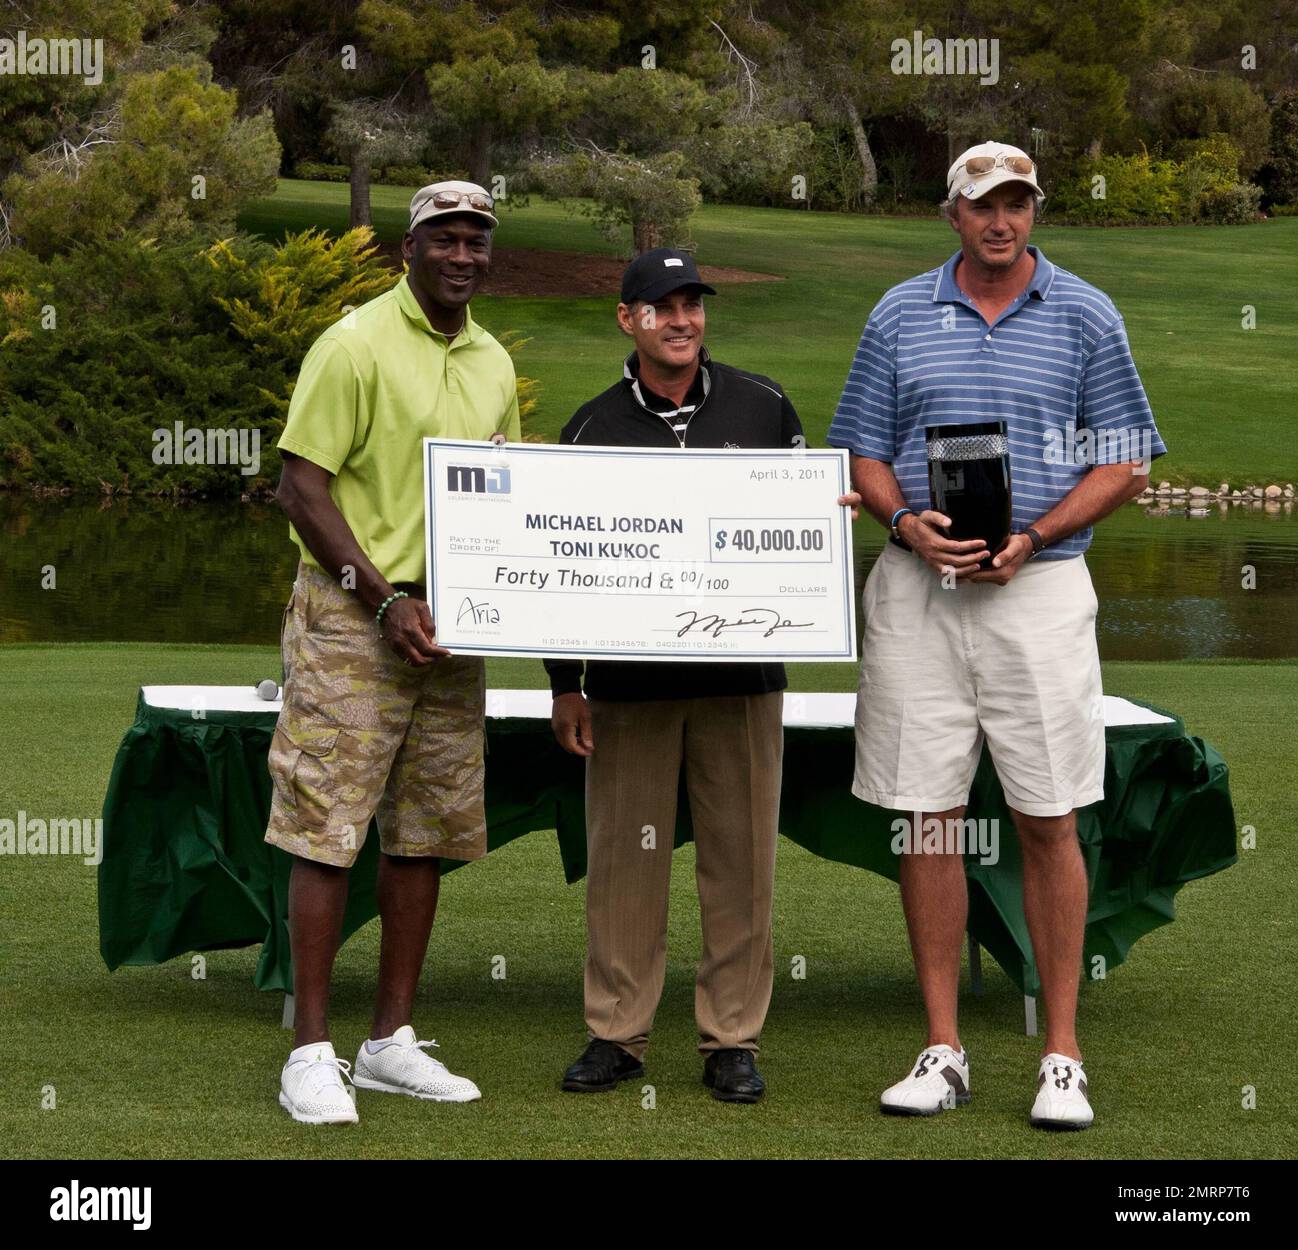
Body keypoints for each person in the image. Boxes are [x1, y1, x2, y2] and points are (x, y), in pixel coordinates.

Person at [828, 141, 1165, 1130]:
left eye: (1017, 202)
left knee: (1049, 812)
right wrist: (901, 522)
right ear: (953, 213)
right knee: (926, 813)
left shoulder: (1085, 312)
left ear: (1034, 209)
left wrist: (1036, 533)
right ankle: (943, 1047)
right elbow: (866, 449)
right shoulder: (898, 311)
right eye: (983, 204)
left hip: (1041, 585)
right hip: (917, 586)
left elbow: (1126, 460)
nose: (1001, 220)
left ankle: (1060, 1052)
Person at [547, 248, 858, 1103]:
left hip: (743, 676)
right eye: (662, 306)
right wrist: (562, 683)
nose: (682, 319)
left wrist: (827, 526)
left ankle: (732, 1037)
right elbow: (555, 566)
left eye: (693, 304)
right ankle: (617, 1032)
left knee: (740, 858)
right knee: (624, 861)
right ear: (628, 319)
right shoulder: (590, 427)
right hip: (628, 686)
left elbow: (806, 527)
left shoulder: (764, 406)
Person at [266, 181, 520, 1123]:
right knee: (326, 826)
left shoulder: (493, 358)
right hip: (352, 618)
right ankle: (310, 1051)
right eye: (445, 240)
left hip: (453, 628)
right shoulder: (353, 344)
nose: (463, 255)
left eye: (476, 241)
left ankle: (388, 1043)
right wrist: (384, 602)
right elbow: (301, 489)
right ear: (406, 250)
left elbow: (503, 495)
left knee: (424, 834)